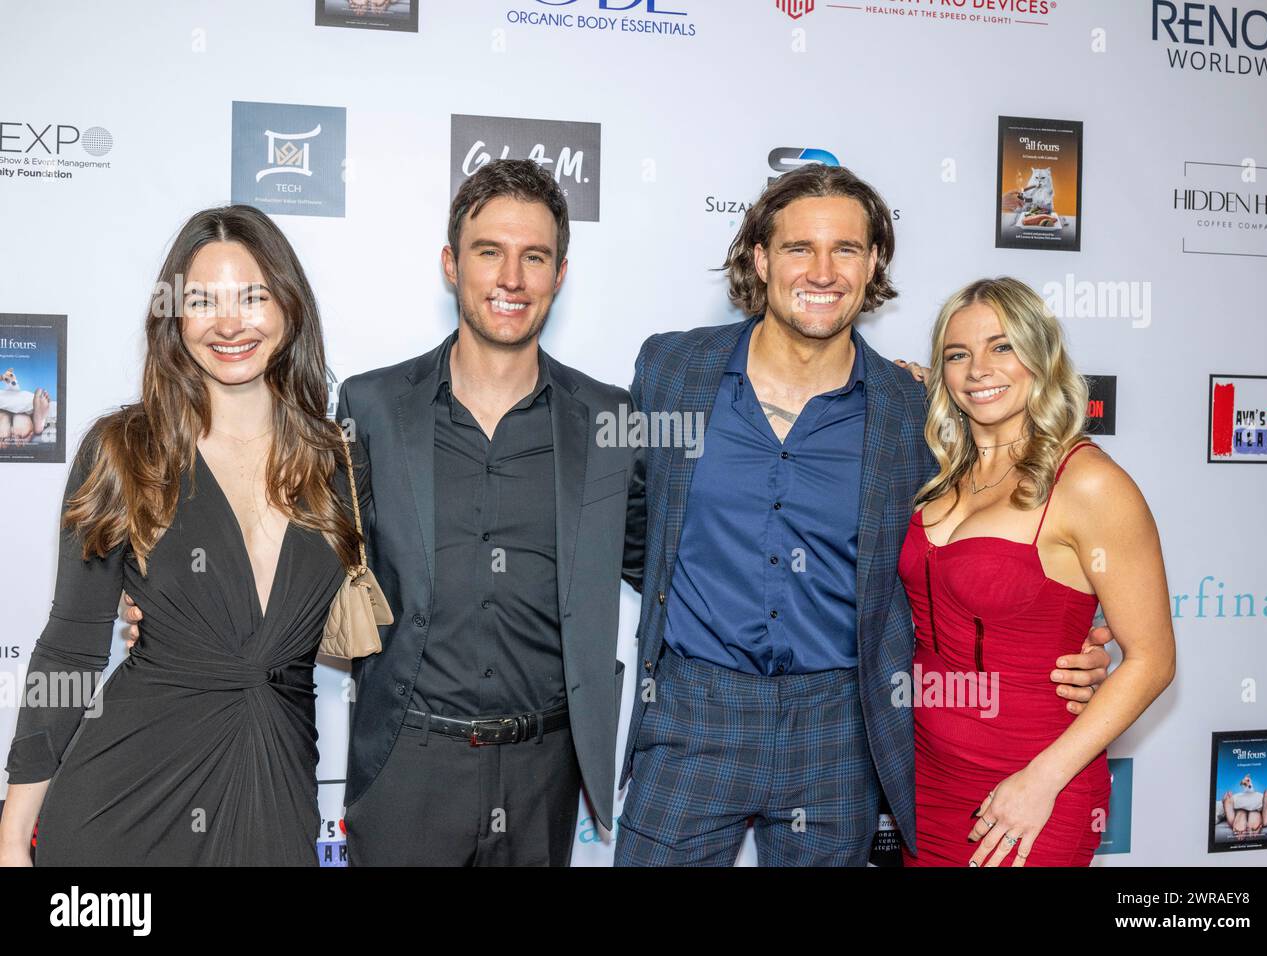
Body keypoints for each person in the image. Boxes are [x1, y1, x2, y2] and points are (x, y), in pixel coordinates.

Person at [614, 164, 1114, 867]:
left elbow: (984, 542)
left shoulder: (912, 409)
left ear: (873, 262)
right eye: (798, 249)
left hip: (839, 726)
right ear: (760, 258)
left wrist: (1073, 638)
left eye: (845, 249)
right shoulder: (673, 370)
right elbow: (634, 525)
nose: (823, 271)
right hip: (695, 712)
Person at [0, 205, 357, 866]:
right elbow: (70, 652)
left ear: (289, 306)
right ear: (174, 318)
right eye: (202, 301)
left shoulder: (338, 462)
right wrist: (13, 838)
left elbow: (388, 625)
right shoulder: (126, 451)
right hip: (123, 809)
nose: (229, 323)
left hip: (274, 796)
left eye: (252, 296)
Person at [328, 159, 643, 865]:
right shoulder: (372, 406)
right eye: (488, 252)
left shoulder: (608, 417)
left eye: (534, 257)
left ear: (559, 274)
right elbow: (316, 558)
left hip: (547, 771)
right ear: (451, 263)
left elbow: (669, 553)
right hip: (407, 763)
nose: (512, 278)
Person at [899, 276, 1176, 866]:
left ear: (1041, 357)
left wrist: (1040, 782)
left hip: (1029, 785)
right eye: (958, 354)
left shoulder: (1089, 483)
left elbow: (1153, 660)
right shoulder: (941, 470)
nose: (978, 369)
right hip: (925, 781)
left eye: (1002, 347)